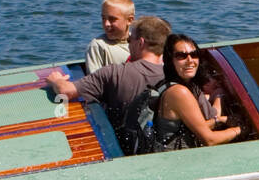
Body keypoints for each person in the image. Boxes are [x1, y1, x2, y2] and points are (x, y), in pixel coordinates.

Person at [47, 16, 171, 150]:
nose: (128, 44)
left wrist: (56, 80)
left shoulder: (114, 73)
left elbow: (66, 91)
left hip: (123, 147)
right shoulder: (175, 74)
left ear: (140, 43)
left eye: (130, 40)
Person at [150, 34, 242, 150]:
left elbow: (194, 126)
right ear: (169, 60)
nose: (190, 61)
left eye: (194, 55)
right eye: (181, 56)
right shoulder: (179, 92)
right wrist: (239, 129)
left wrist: (220, 120)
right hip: (176, 160)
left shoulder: (167, 85)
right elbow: (210, 140)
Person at [85, 0, 135, 73]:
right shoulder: (98, 46)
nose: (106, 24)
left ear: (129, 20)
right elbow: (95, 81)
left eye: (112, 19)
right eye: (103, 18)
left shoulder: (139, 43)